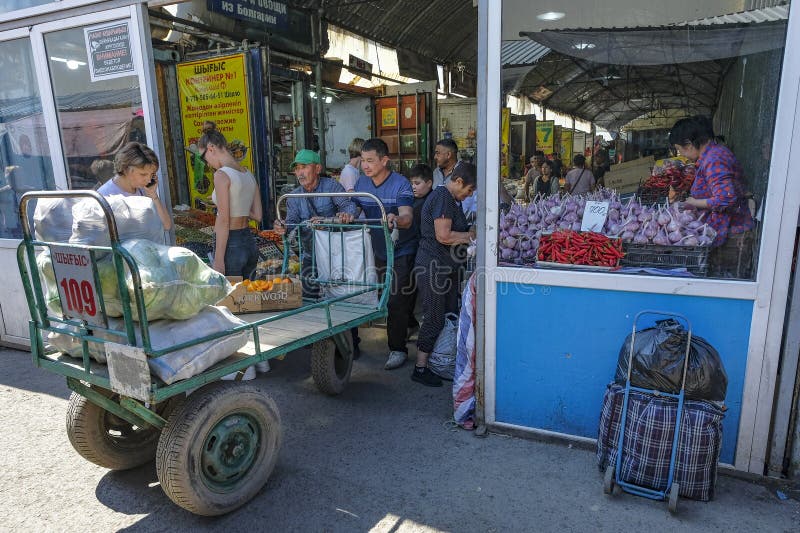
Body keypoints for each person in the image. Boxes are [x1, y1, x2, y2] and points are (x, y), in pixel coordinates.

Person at [345, 138, 416, 370]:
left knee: (396, 300)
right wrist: (346, 215)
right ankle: (350, 345)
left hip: (400, 251)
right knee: (362, 294)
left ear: (384, 160)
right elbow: (353, 209)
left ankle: (398, 349)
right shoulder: (362, 183)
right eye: (363, 161)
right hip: (375, 250)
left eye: (370, 161)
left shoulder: (400, 183)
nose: (365, 166)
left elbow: (407, 216)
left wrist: (397, 219)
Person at [413, 161, 477, 386]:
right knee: (433, 315)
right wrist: (471, 237)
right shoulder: (442, 197)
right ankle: (420, 368)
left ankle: (440, 360)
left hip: (444, 267)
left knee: (447, 313)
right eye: (468, 190)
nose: (468, 196)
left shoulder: (451, 200)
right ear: (458, 181)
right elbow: (444, 236)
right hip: (432, 266)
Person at [668, 115, 755, 278]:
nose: (681, 154)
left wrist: (695, 202)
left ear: (689, 144)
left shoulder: (714, 159)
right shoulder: (711, 155)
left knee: (728, 284)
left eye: (680, 149)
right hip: (725, 233)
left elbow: (726, 199)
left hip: (732, 236)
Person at [273, 149, 356, 298]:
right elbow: (291, 223)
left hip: (335, 255)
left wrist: (344, 215)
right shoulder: (294, 196)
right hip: (310, 255)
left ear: (317, 168)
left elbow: (348, 206)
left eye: (304, 167)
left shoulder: (331, 186)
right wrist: (282, 226)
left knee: (339, 298)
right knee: (308, 298)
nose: (300, 173)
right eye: (297, 168)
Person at [197, 121, 261, 278]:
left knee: (232, 300)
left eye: (203, 157)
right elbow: (258, 216)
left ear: (210, 149)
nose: (206, 163)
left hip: (231, 245)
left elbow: (224, 220)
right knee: (250, 298)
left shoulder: (221, 175)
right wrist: (238, 205)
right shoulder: (248, 174)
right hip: (249, 242)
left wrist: (218, 260)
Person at [97, 142, 172, 231]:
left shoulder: (144, 190)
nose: (148, 180)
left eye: (152, 174)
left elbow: (166, 225)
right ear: (126, 169)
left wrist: (153, 195)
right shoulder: (104, 196)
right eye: (143, 174)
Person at [407, 163, 434, 338]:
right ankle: (412, 325)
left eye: (417, 183)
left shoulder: (433, 202)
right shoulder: (411, 201)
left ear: (429, 183)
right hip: (411, 251)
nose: (413, 187)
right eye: (412, 183)